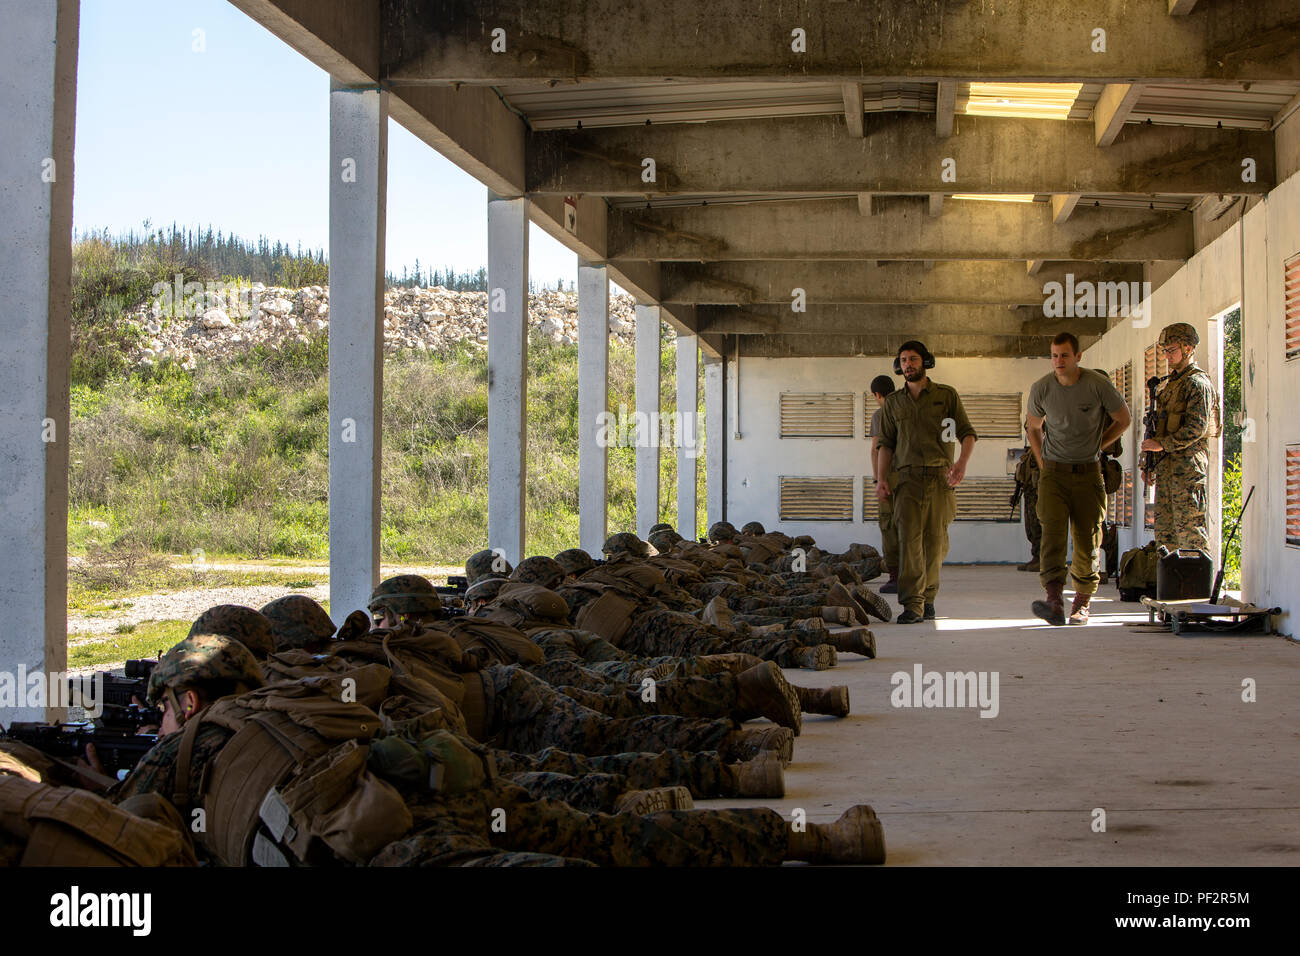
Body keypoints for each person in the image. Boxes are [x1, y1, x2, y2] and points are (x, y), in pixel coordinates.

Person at [1026, 332, 1131, 626]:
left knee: (1087, 540)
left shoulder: (1097, 385)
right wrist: (1041, 461)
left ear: (1078, 357)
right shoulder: (1042, 388)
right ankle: (1054, 600)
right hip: (1054, 475)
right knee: (1052, 536)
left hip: (1088, 473)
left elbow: (1124, 419)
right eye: (1055, 355)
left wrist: (1099, 444)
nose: (1059, 361)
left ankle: (1082, 602)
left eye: (1064, 355)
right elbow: (1033, 428)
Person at [875, 340, 977, 624]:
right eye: (904, 360)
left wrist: (961, 464)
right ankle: (912, 604)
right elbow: (885, 445)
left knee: (936, 544)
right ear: (899, 366)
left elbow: (967, 433)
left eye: (913, 359)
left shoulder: (946, 396)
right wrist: (881, 479)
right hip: (906, 481)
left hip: (940, 479)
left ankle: (928, 598)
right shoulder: (893, 403)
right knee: (909, 543)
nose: (908, 364)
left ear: (925, 362)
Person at [1141, 322, 1219, 554]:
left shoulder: (1197, 384)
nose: (1167, 356)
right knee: (1165, 535)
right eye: (1164, 351)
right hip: (1167, 469)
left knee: (1190, 534)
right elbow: (1157, 426)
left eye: (1171, 350)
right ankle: (1171, 588)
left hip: (1187, 470)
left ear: (1188, 348)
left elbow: (1196, 428)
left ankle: (1195, 589)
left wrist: (1161, 445)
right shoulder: (1170, 385)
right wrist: (1148, 462)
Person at [869, 374, 902, 593]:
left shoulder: (880, 415)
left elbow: (876, 449)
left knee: (889, 525)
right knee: (912, 526)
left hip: (890, 476)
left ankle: (896, 577)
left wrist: (878, 479)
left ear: (877, 395)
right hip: (912, 476)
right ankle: (917, 577)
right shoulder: (907, 409)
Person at [1015, 421, 1042, 572]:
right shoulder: (1030, 453)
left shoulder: (1042, 450)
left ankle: (1041, 559)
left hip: (1039, 495)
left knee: (1039, 527)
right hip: (1030, 494)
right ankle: (1035, 557)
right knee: (1031, 528)